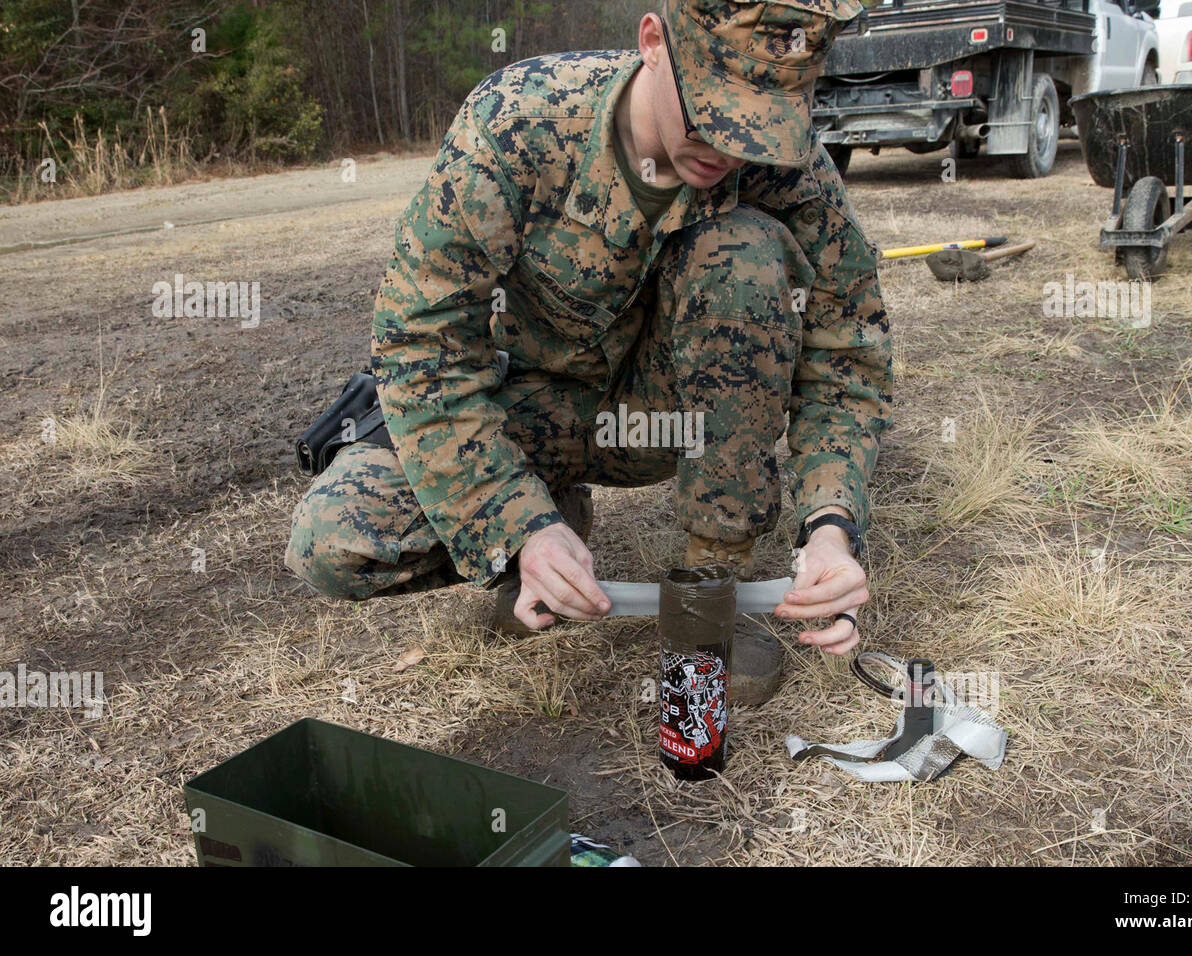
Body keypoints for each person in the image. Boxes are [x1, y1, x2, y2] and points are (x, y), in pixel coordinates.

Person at [285, 0, 892, 707]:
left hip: (667, 419)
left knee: (743, 255)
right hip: (527, 407)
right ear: (652, 41)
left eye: (758, 123)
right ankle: (551, 526)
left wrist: (831, 527)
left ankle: (708, 602)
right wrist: (519, 523)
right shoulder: (518, 123)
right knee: (334, 541)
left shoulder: (785, 165)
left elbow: (847, 348)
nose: (729, 147)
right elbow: (422, 346)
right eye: (711, 110)